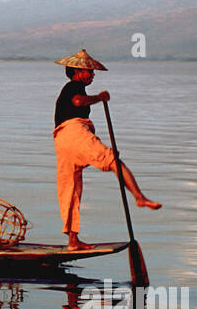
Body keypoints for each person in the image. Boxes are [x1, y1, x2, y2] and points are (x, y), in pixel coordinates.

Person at [52, 49, 160, 250]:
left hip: (61, 139)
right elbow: (78, 101)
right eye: (89, 72)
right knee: (112, 160)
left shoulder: (71, 87)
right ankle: (139, 198)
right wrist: (99, 98)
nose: (93, 75)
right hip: (74, 134)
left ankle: (73, 241)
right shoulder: (74, 86)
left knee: (70, 188)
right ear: (77, 71)